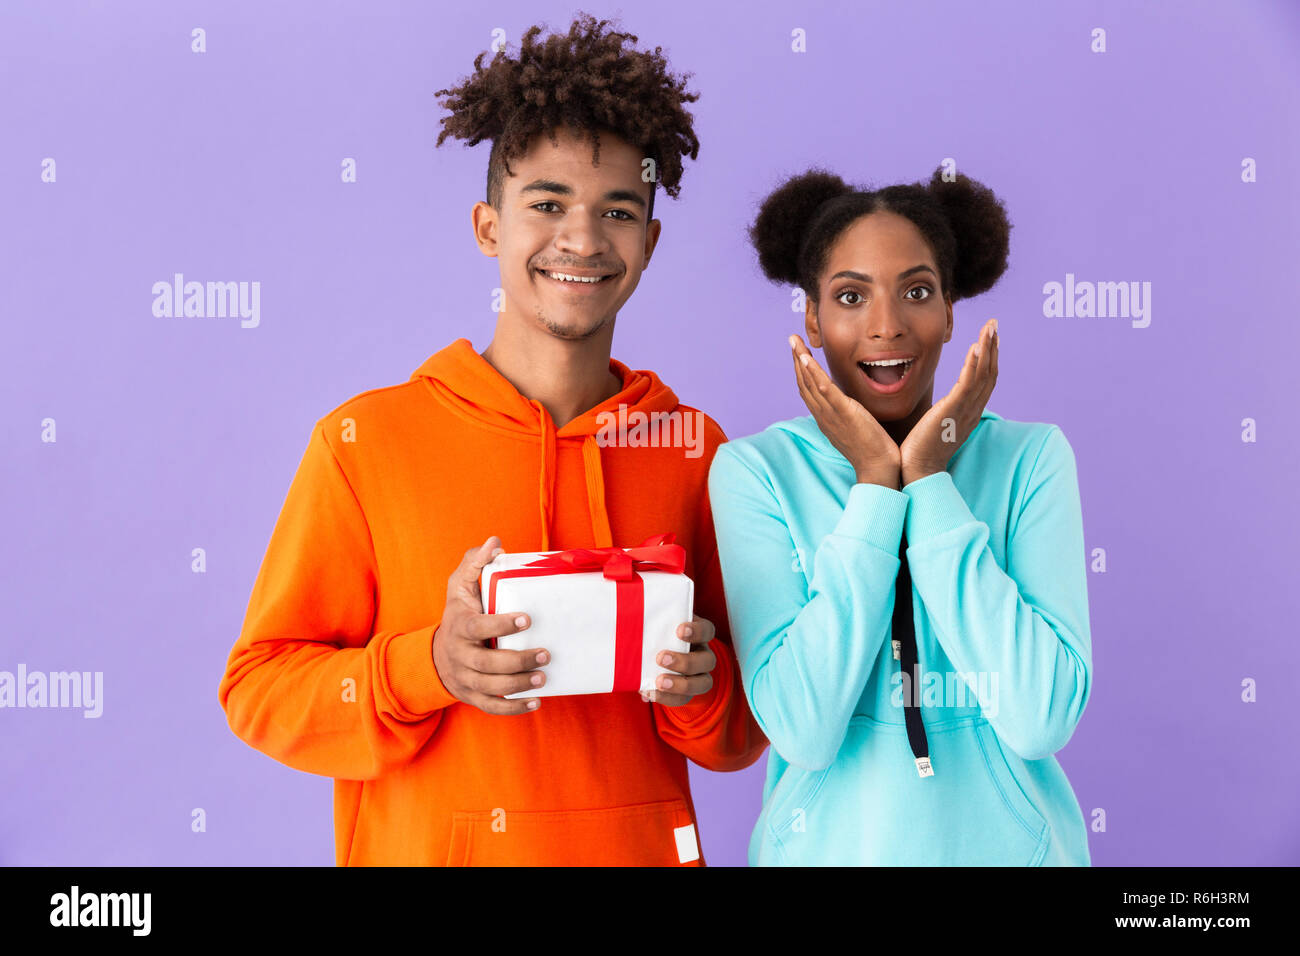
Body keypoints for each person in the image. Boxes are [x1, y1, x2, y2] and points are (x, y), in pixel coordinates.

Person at [218, 13, 766, 867]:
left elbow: (741, 733)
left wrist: (701, 689)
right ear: (487, 227)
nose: (582, 240)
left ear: (650, 243)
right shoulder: (367, 442)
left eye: (617, 211)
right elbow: (257, 691)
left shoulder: (696, 449)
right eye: (546, 204)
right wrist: (428, 667)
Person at [708, 167, 1093, 865]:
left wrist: (928, 478)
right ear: (813, 320)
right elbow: (803, 729)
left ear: (949, 311)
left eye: (916, 291)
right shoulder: (755, 473)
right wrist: (875, 491)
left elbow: (1040, 717)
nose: (887, 326)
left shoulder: (1031, 459)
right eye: (850, 296)